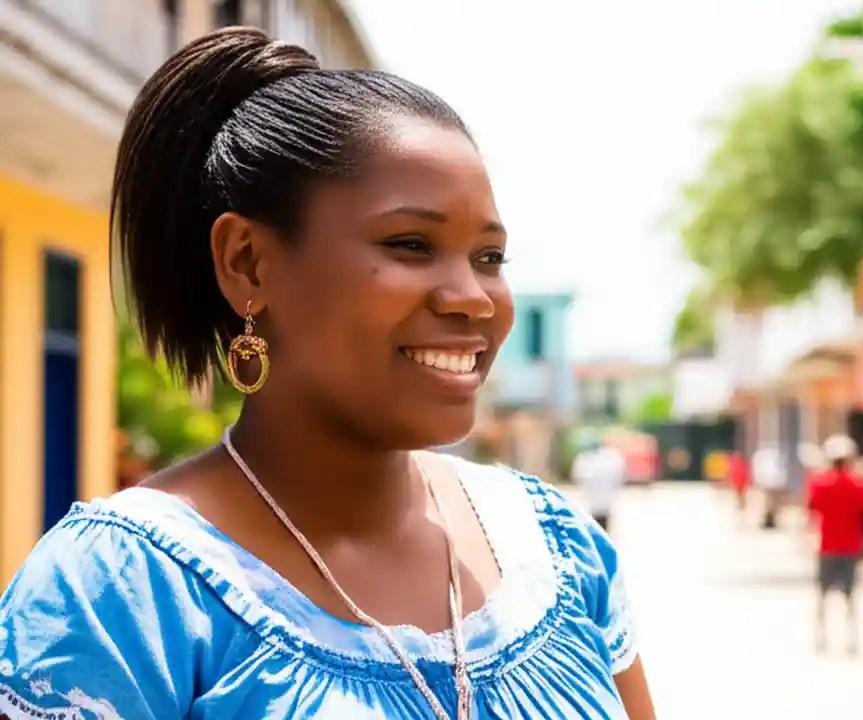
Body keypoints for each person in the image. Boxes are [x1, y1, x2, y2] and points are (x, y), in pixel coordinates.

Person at [0, 28, 655, 720]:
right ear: (248, 262)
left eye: (489, 258)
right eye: (411, 244)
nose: (471, 296)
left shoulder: (557, 552)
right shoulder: (122, 596)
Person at [807, 435, 863, 654]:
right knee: (850, 596)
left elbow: (812, 508)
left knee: (823, 595)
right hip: (851, 546)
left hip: (827, 546)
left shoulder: (820, 483)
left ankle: (821, 638)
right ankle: (851, 640)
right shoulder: (859, 483)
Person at [572, 440, 627, 531]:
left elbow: (579, 477)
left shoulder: (587, 460)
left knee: (598, 521)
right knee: (600, 520)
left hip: (598, 498)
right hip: (601, 498)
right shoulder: (609, 459)